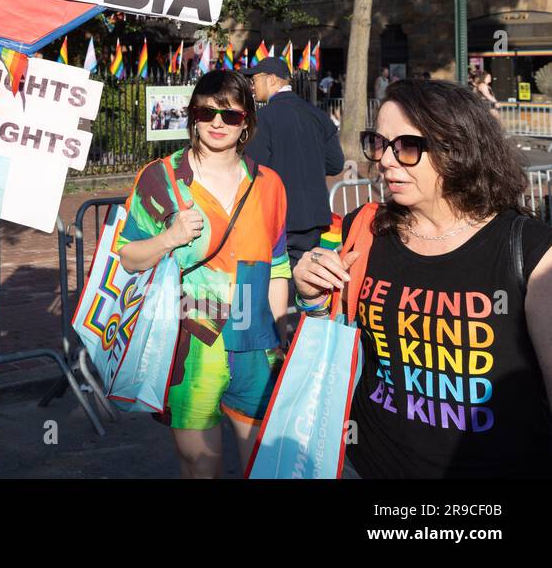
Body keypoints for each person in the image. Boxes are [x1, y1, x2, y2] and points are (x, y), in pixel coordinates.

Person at [293, 79, 552, 478]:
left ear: (457, 150)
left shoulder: (530, 251)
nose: (385, 160)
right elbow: (336, 336)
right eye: (378, 143)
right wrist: (310, 297)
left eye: (407, 147)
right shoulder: (365, 228)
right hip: (363, 464)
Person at [118, 70, 291, 478]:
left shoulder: (269, 185)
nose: (217, 123)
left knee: (263, 465)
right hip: (191, 338)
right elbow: (127, 257)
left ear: (247, 120)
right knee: (202, 464)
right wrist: (170, 238)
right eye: (206, 112)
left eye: (230, 116)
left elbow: (279, 266)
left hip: (256, 340)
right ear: (193, 117)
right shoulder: (160, 178)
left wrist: (280, 338)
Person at [243, 56, 345, 266]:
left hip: (279, 218)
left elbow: (253, 170)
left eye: (254, 80)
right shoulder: (317, 114)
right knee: (307, 283)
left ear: (271, 79)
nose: (251, 86)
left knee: (280, 285)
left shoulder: (263, 118)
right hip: (315, 217)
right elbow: (335, 163)